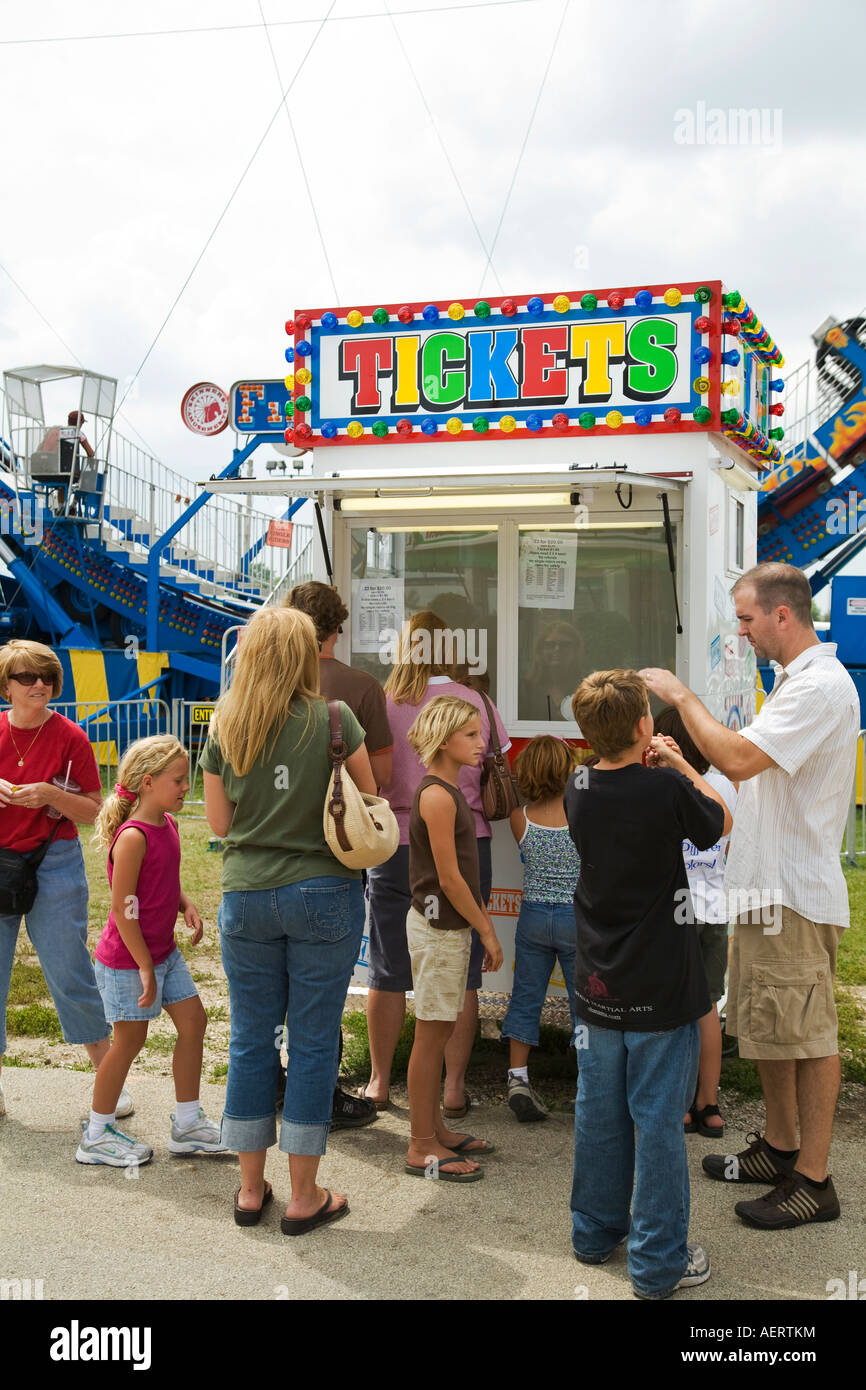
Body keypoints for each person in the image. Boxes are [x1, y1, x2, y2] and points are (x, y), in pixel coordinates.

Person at [642, 562, 860, 1230]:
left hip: (792, 893)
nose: (741, 633)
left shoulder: (819, 687)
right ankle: (781, 1145)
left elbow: (736, 759)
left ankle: (814, 1181)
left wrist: (683, 698)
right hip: (767, 889)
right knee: (767, 1028)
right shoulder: (797, 681)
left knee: (808, 1034)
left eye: (746, 619)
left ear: (782, 616)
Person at [201, 606, 375, 1233]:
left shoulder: (226, 724)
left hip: (245, 894)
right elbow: (368, 800)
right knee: (312, 1040)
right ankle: (305, 1196)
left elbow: (219, 826)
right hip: (324, 890)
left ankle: (251, 1190)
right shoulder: (334, 718)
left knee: (250, 1037)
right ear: (306, 654)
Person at [566, 669, 727, 1299]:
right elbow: (716, 822)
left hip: (597, 982)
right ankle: (659, 1263)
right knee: (658, 1120)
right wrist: (680, 765)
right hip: (660, 983)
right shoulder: (665, 788)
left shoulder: (577, 785)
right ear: (644, 727)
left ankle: (592, 1232)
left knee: (598, 1111)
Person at [360, 609, 510, 1118]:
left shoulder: (383, 703)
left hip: (394, 842)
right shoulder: (476, 702)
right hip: (466, 843)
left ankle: (380, 1081)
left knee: (386, 968)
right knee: (463, 969)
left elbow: (372, 775)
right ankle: (452, 1087)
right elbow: (499, 762)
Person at [0, 640, 134, 1123]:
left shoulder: (71, 736)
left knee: (69, 969)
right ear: (7, 686)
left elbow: (100, 811)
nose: (39, 685)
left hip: (53, 859)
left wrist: (51, 794)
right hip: (0, 860)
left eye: (46, 677)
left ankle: (107, 1081)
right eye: (26, 677)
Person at [78, 737, 225, 1167]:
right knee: (129, 1040)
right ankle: (97, 1133)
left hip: (162, 953)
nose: (187, 787)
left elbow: (160, 882)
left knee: (194, 1022)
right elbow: (124, 910)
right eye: (179, 780)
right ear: (147, 782)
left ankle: (187, 1125)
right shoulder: (132, 837)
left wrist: (186, 904)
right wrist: (145, 966)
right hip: (129, 958)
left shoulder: (168, 825)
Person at [285, 580, 394, 1130]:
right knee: (321, 993)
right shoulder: (360, 687)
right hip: (333, 858)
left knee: (268, 999)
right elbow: (380, 781)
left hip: (263, 864)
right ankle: (322, 1098)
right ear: (338, 629)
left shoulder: (260, 688)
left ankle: (268, 1095)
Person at [404, 697, 503, 1181]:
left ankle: (434, 1128)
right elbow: (450, 878)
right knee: (431, 1035)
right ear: (444, 740)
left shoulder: (448, 789)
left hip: (444, 927)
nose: (481, 743)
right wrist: (488, 929)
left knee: (438, 1030)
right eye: (470, 735)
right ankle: (421, 1143)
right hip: (439, 928)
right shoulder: (438, 795)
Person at [654, 706, 737, 1137]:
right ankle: (709, 1102)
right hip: (714, 909)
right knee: (706, 1009)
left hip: (675, 911)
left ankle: (682, 1101)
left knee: (674, 1011)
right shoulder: (724, 783)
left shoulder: (662, 785)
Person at [500, 735, 581, 1122]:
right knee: (586, 1005)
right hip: (576, 918)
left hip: (533, 915)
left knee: (526, 997)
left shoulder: (520, 817)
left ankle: (517, 1078)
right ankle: (590, 1086)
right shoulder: (583, 816)